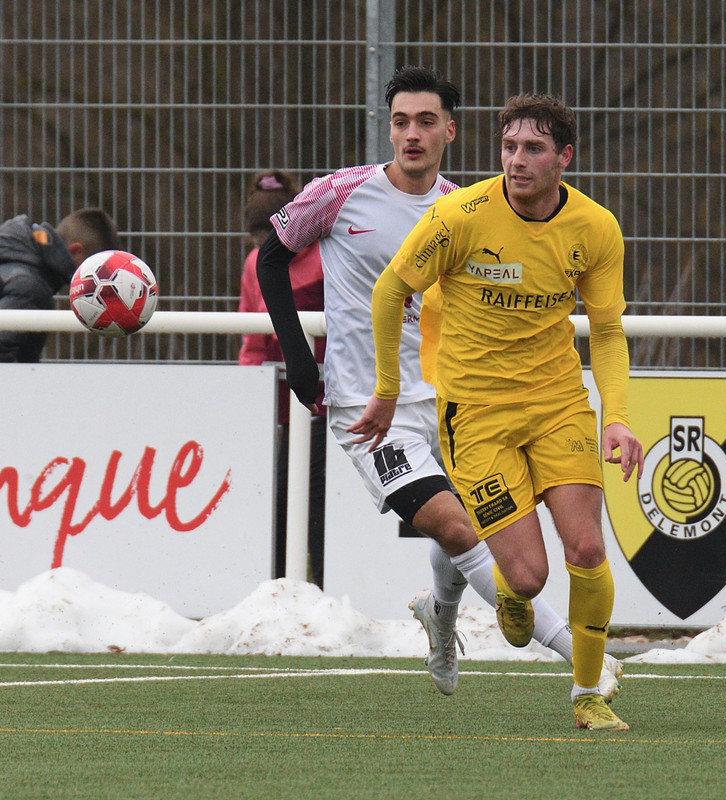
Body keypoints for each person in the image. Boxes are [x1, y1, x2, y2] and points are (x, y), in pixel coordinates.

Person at [257, 67, 623, 703]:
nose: (412, 134)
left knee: (472, 533)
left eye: (427, 122)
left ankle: (440, 611)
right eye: (401, 121)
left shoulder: (467, 208)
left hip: (457, 400)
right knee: (458, 530)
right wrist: (300, 366)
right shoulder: (339, 194)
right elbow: (272, 256)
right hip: (370, 406)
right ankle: (576, 654)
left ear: (451, 131)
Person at [351, 93, 642, 731]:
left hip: (558, 403)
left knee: (589, 547)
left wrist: (616, 415)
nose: (517, 160)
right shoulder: (460, 217)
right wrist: (388, 390)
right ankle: (511, 595)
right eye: (509, 147)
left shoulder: (595, 228)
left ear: (564, 157)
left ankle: (586, 694)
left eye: (533, 149)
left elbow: (609, 331)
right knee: (529, 578)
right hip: (476, 415)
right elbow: (391, 288)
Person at [237, 170, 327, 587]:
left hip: (326, 403)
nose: (261, 248)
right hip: (279, 407)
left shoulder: (328, 258)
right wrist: (250, 395)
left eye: (266, 237)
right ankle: (271, 591)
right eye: (255, 240)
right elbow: (252, 337)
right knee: (275, 503)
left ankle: (325, 585)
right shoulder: (256, 264)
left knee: (320, 504)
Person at [0, 208, 119, 362]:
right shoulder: (30, 284)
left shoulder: (19, 261)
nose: (94, 280)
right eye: (95, 270)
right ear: (76, 250)